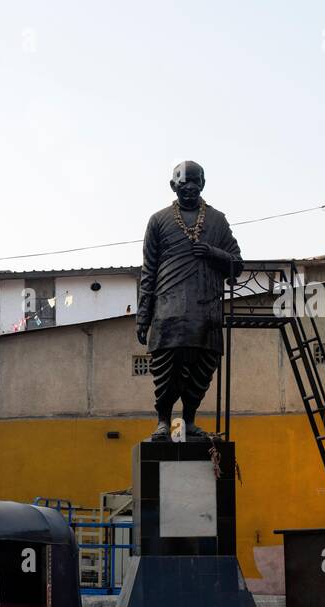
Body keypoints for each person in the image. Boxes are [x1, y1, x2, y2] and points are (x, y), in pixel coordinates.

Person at [136, 160, 243, 441]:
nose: (189, 190)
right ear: (173, 186)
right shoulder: (158, 220)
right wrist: (143, 316)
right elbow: (148, 271)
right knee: (167, 371)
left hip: (206, 310)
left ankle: (189, 420)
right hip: (168, 310)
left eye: (195, 185)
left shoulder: (217, 221)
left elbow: (237, 264)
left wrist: (212, 252)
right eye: (184, 185)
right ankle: (164, 421)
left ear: (203, 185)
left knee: (202, 369)